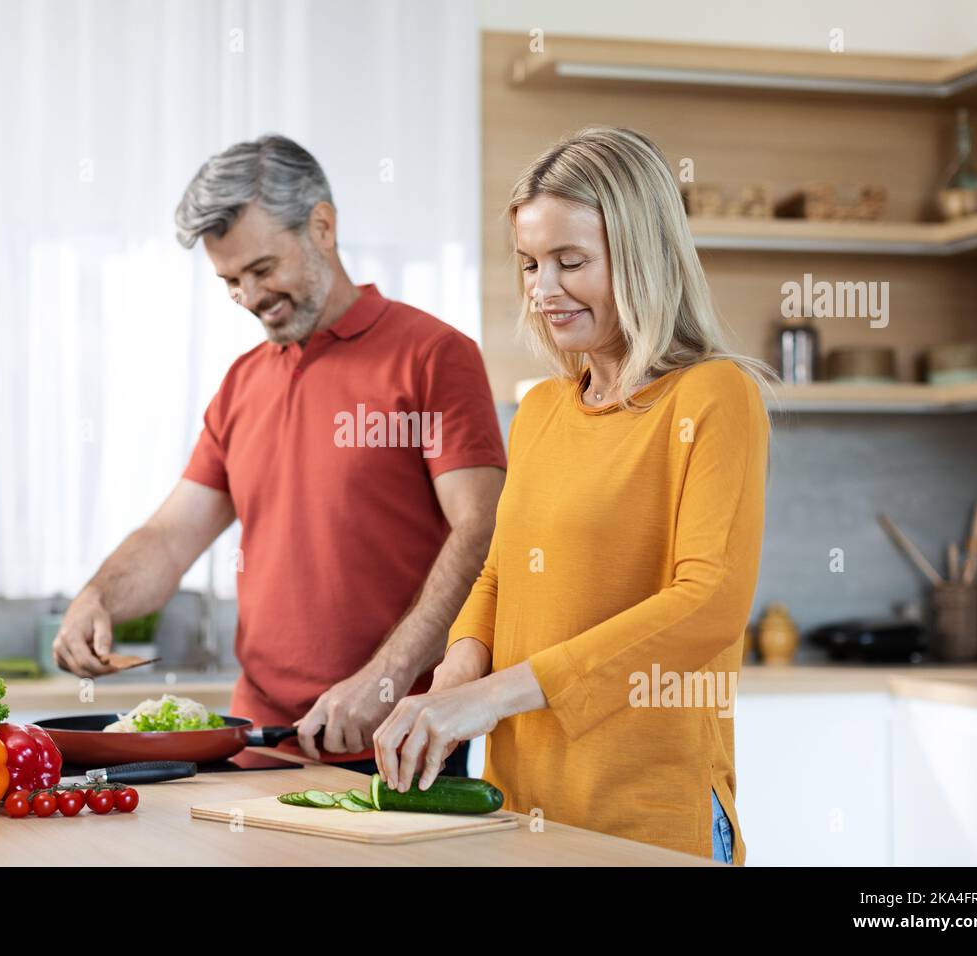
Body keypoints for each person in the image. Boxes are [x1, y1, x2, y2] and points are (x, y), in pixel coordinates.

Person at [373, 127, 775, 864]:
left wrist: (495, 698)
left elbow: (709, 601)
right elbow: (498, 577)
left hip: (651, 818)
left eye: (571, 261)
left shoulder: (715, 397)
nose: (542, 288)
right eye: (530, 263)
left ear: (643, 256)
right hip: (519, 814)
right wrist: (452, 686)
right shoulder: (540, 412)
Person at [54, 135, 507, 773]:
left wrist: (383, 682)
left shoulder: (433, 356)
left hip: (392, 744)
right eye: (230, 280)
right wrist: (97, 597)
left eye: (262, 269)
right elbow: (169, 536)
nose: (247, 295)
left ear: (322, 225)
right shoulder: (243, 382)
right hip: (259, 746)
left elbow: (481, 530)